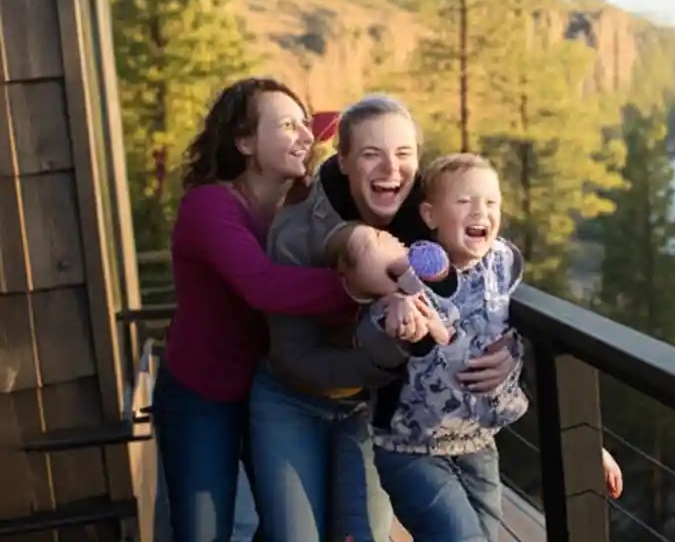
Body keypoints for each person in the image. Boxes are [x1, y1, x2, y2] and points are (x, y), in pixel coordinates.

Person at [247, 95, 501, 541]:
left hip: (373, 414)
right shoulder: (296, 232)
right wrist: (393, 349)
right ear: (343, 160)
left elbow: (490, 288)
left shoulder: (432, 216)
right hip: (293, 399)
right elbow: (297, 358)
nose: (391, 169)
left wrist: (513, 368)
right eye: (371, 154)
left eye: (404, 154)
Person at [152, 77, 390, 541]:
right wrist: (362, 287)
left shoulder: (305, 206)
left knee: (288, 524)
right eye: (286, 125)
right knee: (204, 530)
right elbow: (264, 288)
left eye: (305, 123)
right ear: (244, 142)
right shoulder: (210, 208)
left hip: (274, 390)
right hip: (204, 394)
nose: (305, 135)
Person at [371, 152, 624, 541]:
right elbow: (376, 327)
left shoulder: (501, 266)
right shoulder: (406, 274)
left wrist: (589, 446)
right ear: (430, 215)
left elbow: (536, 358)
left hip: (478, 443)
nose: (481, 211)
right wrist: (397, 309)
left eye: (491, 202)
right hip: (410, 447)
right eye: (465, 201)